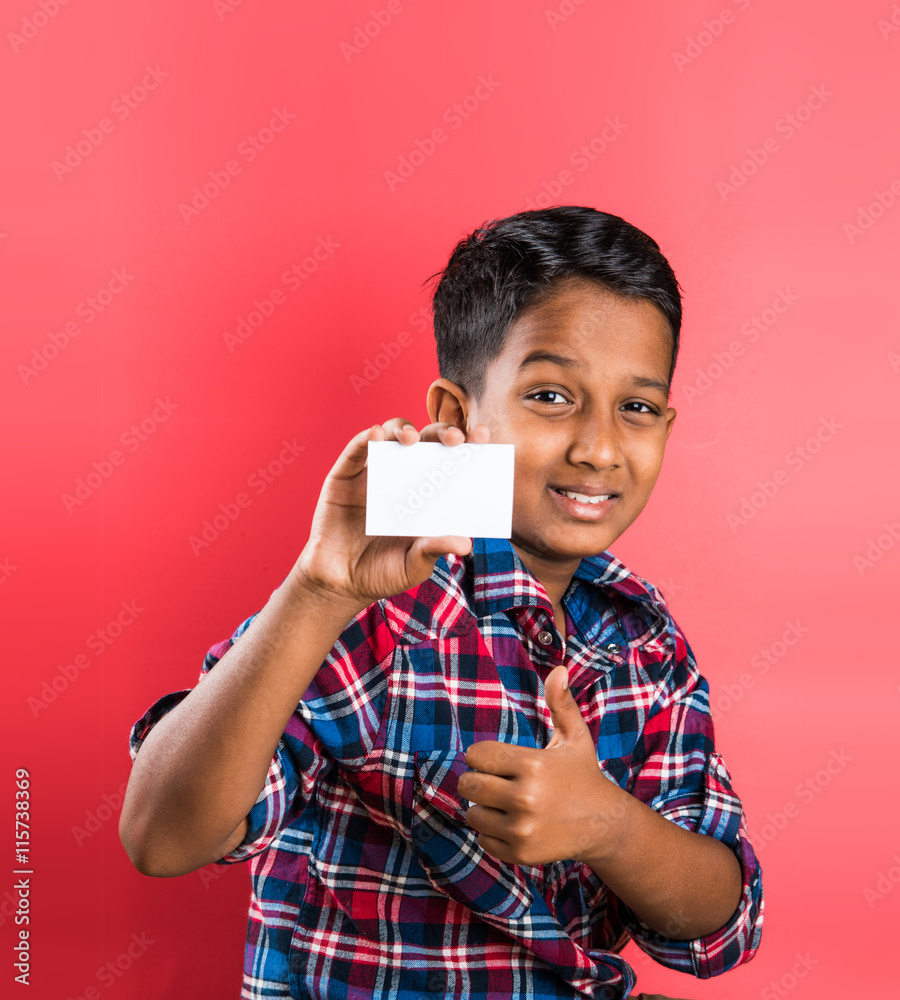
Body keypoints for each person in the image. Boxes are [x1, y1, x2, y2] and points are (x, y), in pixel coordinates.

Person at [119, 205, 764, 1000]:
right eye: (551, 396)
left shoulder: (646, 641)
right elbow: (161, 835)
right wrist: (315, 593)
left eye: (635, 408)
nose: (599, 448)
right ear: (458, 417)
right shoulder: (378, 607)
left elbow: (720, 925)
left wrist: (609, 824)